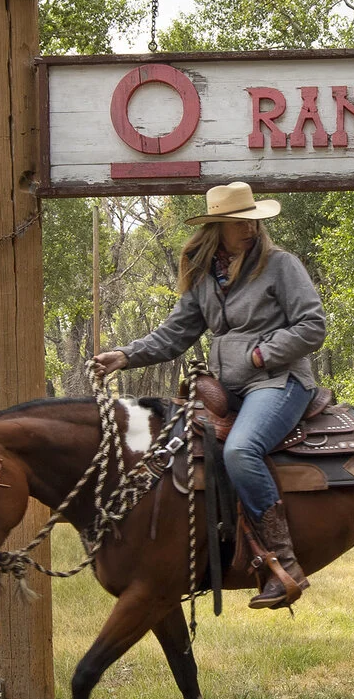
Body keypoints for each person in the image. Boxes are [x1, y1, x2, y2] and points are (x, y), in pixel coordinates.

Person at [91, 181, 328, 609]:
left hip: (278, 382)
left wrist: (260, 355)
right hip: (229, 389)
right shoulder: (205, 278)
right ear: (217, 227)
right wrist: (125, 356)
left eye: (252, 222)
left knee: (240, 451)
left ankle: (285, 563)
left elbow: (313, 326)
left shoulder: (281, 265)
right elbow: (175, 334)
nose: (250, 230)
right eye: (239, 224)